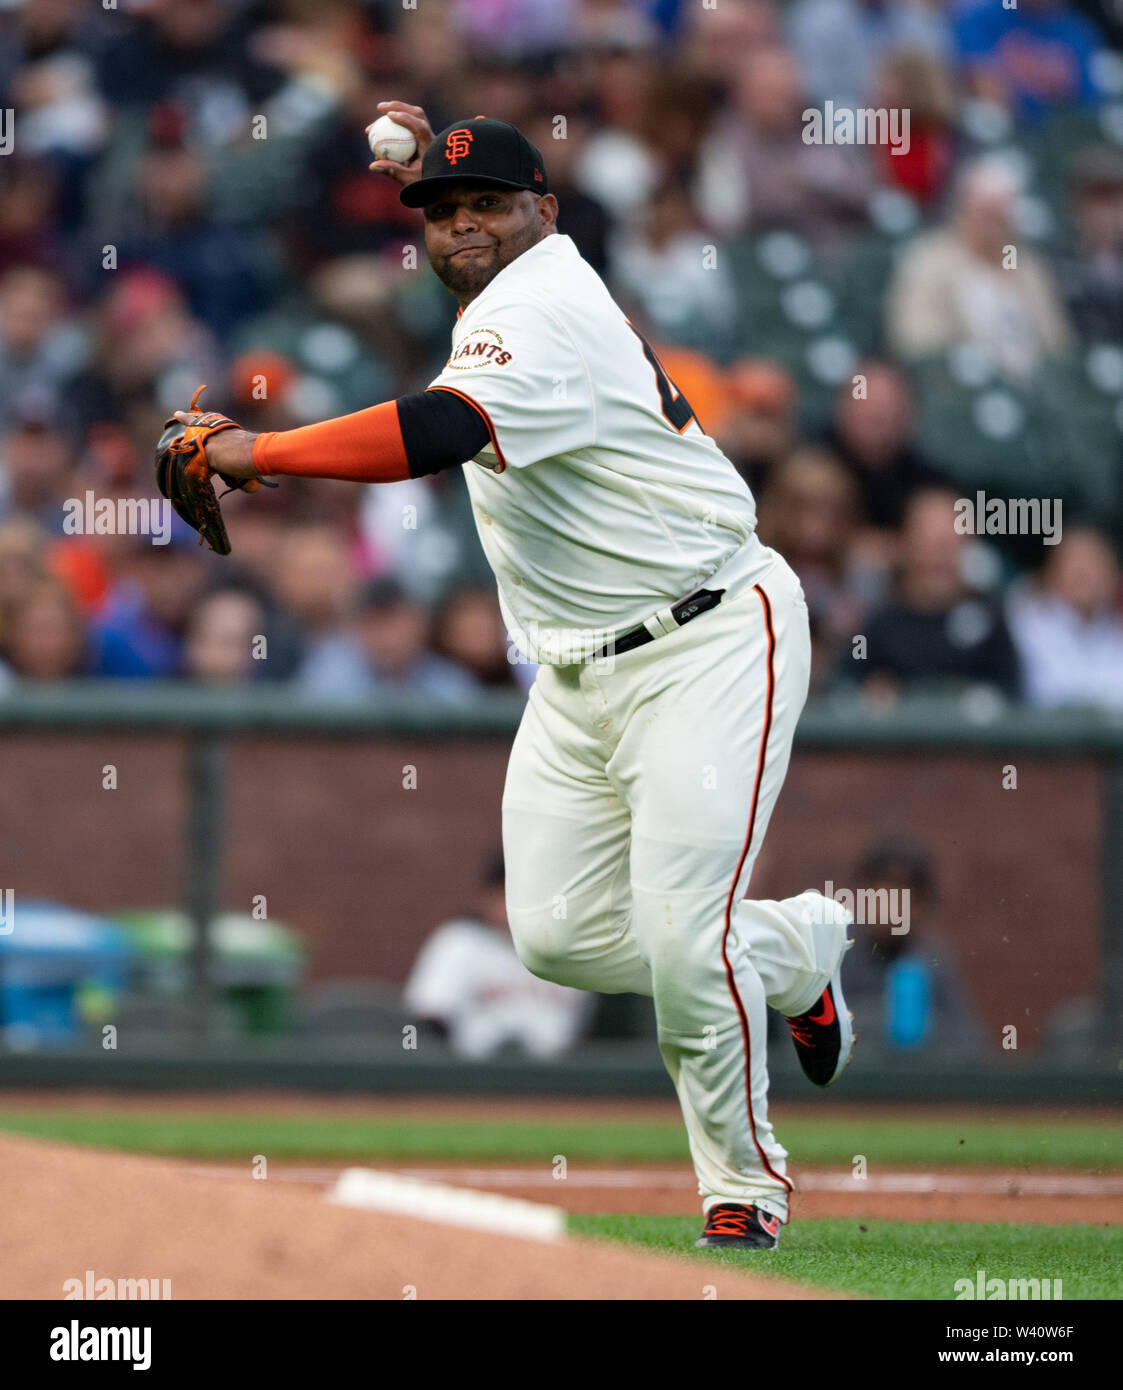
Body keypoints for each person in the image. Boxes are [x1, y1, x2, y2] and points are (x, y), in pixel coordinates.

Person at [178, 101, 856, 1251]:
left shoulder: (546, 299)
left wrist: (255, 450)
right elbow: (456, 348)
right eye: (440, 213)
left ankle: (742, 1190)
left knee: (685, 941)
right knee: (552, 938)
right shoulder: (508, 291)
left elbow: (439, 429)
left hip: (707, 640)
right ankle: (792, 951)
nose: (461, 227)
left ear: (546, 211)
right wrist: (439, 142)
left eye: (489, 203)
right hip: (578, 674)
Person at [403, 850, 591, 1059]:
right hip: (476, 1077)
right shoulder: (459, 942)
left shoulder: (572, 948)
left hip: (560, 1081)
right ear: (488, 898)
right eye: (507, 894)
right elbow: (428, 1020)